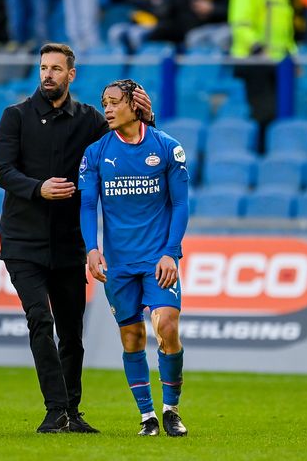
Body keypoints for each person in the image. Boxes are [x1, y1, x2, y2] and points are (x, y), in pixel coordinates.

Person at [0, 43, 153, 434]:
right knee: (39, 320)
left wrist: (149, 117)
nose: (47, 75)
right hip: (23, 242)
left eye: (56, 69)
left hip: (67, 244)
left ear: (71, 75)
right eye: (43, 68)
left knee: (71, 332)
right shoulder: (15, 116)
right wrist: (38, 189)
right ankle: (55, 410)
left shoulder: (90, 121)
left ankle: (72, 412)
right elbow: (2, 171)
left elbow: (131, 145)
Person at [78, 79, 189, 437]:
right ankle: (148, 417)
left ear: (134, 105)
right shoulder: (95, 153)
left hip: (158, 259)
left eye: (113, 102)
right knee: (133, 340)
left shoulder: (168, 148)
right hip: (119, 264)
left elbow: (180, 204)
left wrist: (171, 252)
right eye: (103, 102)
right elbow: (87, 205)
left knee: (167, 328)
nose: (107, 109)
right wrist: (92, 249)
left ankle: (171, 410)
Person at [229, 0, 296, 152]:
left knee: (279, 114)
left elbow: (286, 30)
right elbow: (240, 26)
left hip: (278, 64)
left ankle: (273, 154)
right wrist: (258, 49)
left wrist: (292, 56)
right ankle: (261, 156)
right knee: (265, 113)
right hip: (253, 61)